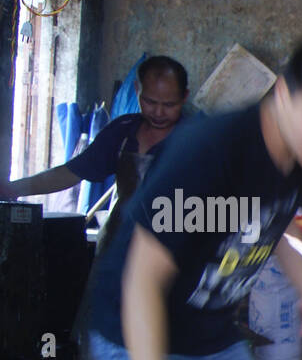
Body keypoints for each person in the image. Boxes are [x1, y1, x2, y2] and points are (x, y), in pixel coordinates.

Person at [86, 30, 302, 360]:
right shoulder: (211, 153)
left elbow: (280, 223)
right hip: (134, 331)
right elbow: (142, 281)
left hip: (212, 338)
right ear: (284, 95)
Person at [1, 55, 190, 254]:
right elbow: (71, 172)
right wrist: (14, 188)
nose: (159, 112)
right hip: (117, 246)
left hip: (170, 253)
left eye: (169, 105)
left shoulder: (197, 140)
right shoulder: (122, 131)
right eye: (150, 102)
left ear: (184, 97)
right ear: (137, 90)